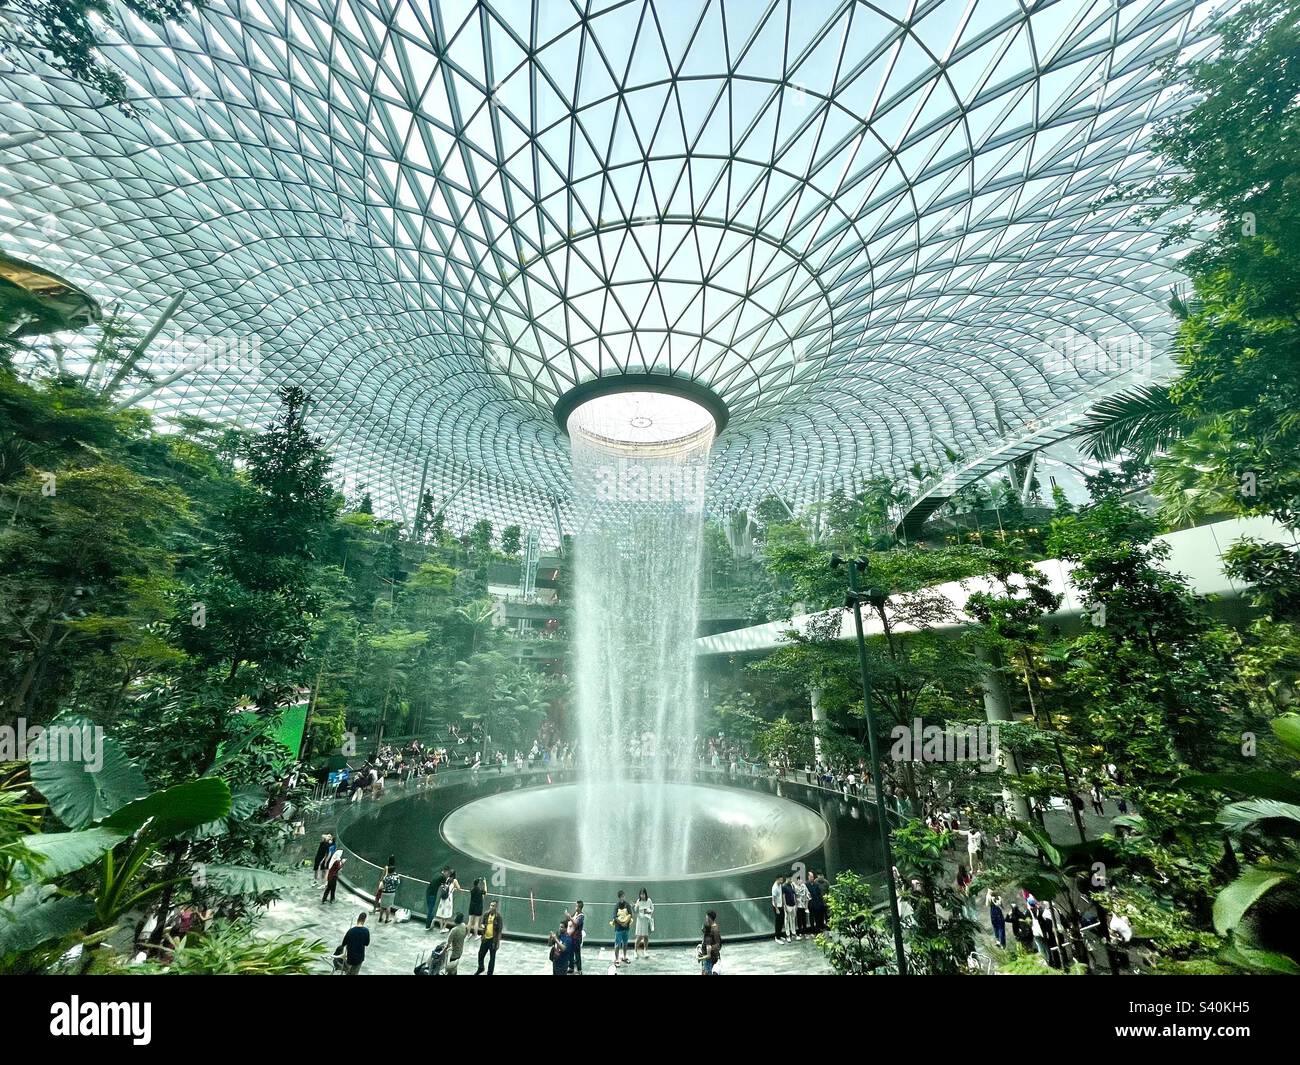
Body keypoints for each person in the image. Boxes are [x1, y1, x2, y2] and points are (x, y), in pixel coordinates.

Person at [475, 900, 503, 975]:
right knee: (480, 954)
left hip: (493, 940)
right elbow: (482, 923)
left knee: (492, 958)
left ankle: (490, 973)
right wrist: (482, 926)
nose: (491, 907)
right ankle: (481, 967)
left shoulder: (498, 917)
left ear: (496, 907)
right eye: (491, 905)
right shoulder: (486, 914)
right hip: (485, 938)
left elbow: (500, 930)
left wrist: (498, 942)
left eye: (493, 906)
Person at [610, 891, 634, 965]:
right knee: (617, 944)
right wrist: (621, 923)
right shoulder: (616, 906)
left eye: (623, 896)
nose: (622, 898)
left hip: (626, 928)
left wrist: (625, 923)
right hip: (618, 929)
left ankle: (624, 957)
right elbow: (614, 916)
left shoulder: (627, 905)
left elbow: (630, 914)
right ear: (619, 897)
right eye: (621, 897)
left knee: (625, 943)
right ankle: (617, 959)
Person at [426, 866, 449, 930]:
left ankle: (431, 923)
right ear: (446, 871)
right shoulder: (443, 877)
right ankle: (428, 926)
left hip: (428, 892)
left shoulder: (437, 874)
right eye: (447, 873)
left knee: (430, 909)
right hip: (433, 894)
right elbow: (445, 887)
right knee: (430, 910)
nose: (447, 874)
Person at [633, 889, 654, 958]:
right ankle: (635, 951)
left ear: (646, 894)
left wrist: (649, 912)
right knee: (639, 936)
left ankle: (645, 951)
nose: (642, 896)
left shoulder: (649, 900)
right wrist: (635, 907)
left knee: (646, 936)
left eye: (643, 894)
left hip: (646, 920)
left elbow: (652, 908)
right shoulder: (638, 901)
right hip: (640, 920)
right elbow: (635, 911)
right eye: (641, 894)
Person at [699, 910, 722, 975]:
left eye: (706, 917)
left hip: (711, 958)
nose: (705, 918)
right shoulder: (709, 927)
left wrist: (709, 949)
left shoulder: (715, 929)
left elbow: (718, 945)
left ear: (709, 918)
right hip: (706, 956)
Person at [568, 900, 585, 974]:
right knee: (570, 953)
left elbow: (576, 923)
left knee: (577, 954)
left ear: (579, 907)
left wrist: (569, 917)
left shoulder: (581, 916)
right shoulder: (575, 913)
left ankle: (579, 969)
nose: (575, 907)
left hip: (577, 938)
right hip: (571, 936)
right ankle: (571, 967)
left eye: (576, 906)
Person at [781, 875, 798, 940]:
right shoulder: (784, 886)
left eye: (791, 879)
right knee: (787, 920)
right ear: (787, 878)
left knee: (793, 919)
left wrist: (795, 904)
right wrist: (785, 906)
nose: (791, 880)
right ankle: (788, 935)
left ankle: (794, 933)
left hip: (793, 905)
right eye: (790, 879)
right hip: (787, 905)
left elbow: (794, 895)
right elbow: (783, 896)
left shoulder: (791, 885)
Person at [770, 876, 785, 941]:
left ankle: (779, 934)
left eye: (782, 880)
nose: (781, 881)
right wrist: (776, 909)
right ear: (777, 880)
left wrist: (783, 904)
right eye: (780, 880)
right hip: (776, 907)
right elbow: (774, 899)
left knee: (782, 921)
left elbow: (781, 895)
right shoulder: (775, 888)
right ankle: (777, 937)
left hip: (781, 905)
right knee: (778, 922)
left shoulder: (780, 885)